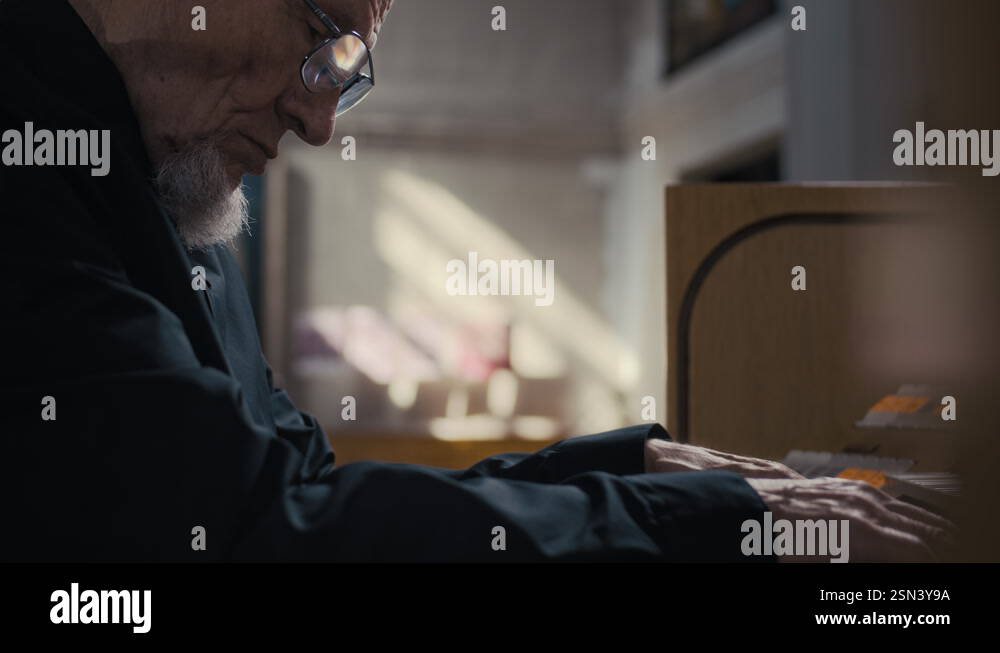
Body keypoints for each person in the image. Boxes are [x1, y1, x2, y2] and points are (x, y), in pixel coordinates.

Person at [0, 0, 951, 562]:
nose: (320, 121)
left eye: (346, 72)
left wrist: (618, 464)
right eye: (326, 39)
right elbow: (256, 532)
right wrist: (694, 522)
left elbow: (305, 485)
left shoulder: (171, 176)